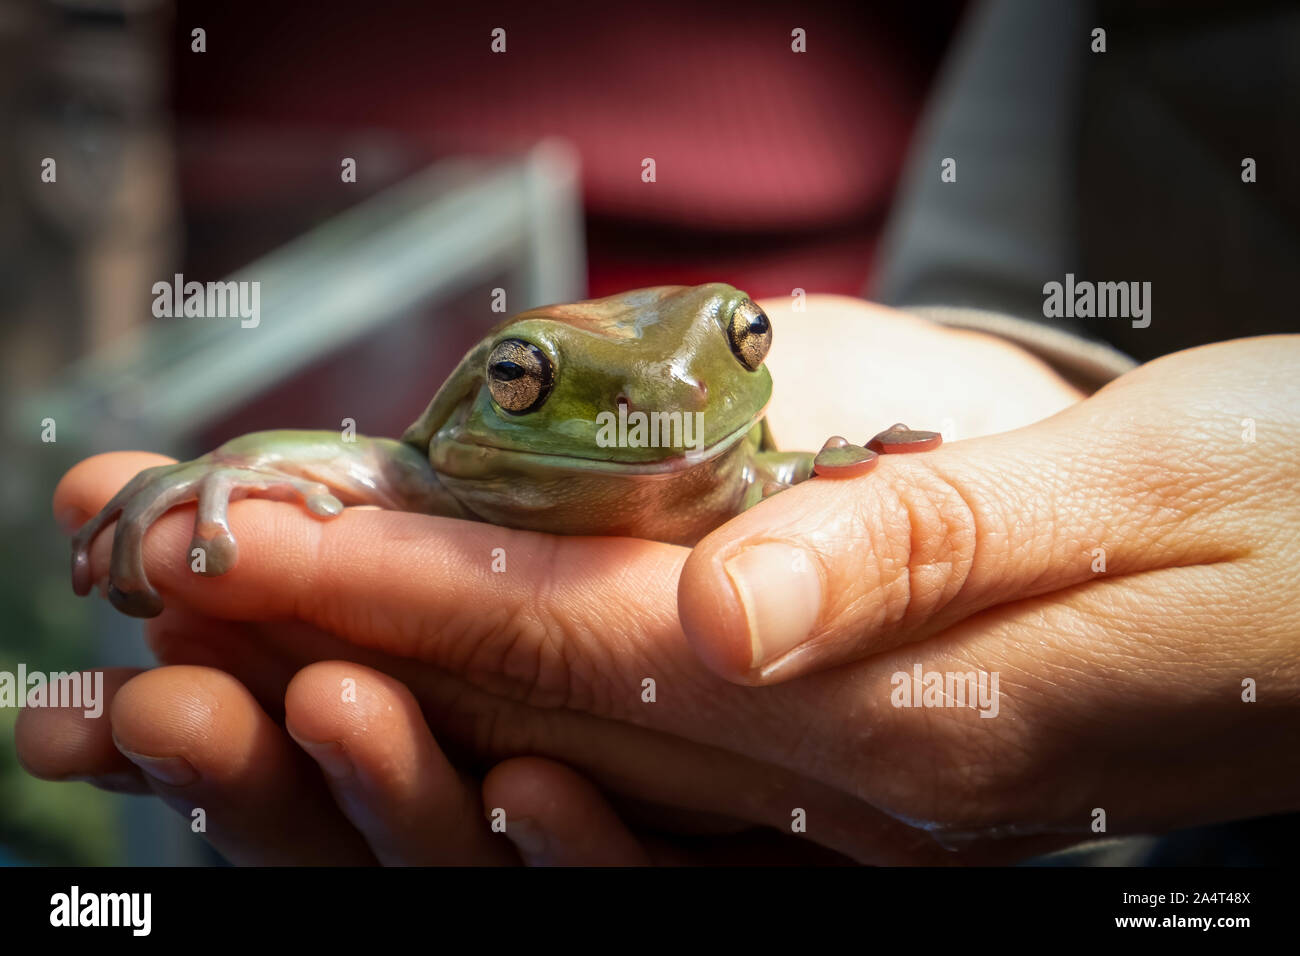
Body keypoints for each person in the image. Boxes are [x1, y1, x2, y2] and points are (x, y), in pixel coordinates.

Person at [17, 0, 1300, 864]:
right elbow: (319, 459)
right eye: (524, 379)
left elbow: (793, 464)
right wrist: (203, 483)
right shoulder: (421, 472)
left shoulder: (737, 457)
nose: (662, 407)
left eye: (742, 346)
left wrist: (968, 403)